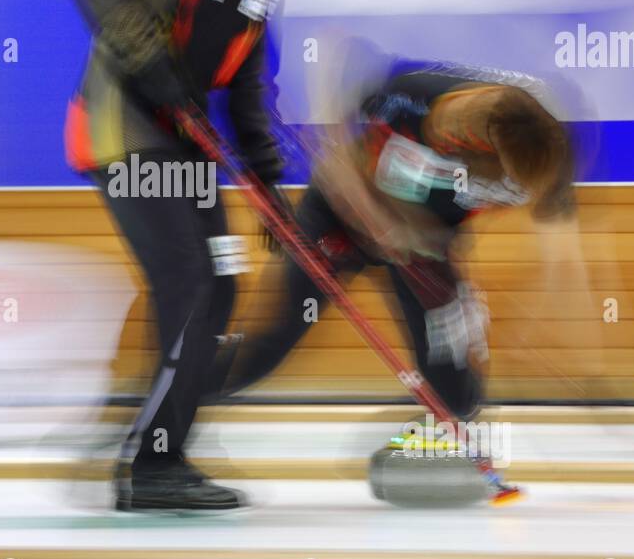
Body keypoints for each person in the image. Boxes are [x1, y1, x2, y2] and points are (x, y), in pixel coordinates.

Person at [63, 0, 341, 511]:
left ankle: (159, 446)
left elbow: (246, 74)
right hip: (126, 129)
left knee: (218, 285)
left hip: (186, 145)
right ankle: (151, 466)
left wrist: (270, 184)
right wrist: (157, 75)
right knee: (189, 284)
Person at [206, 38, 580, 429]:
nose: (506, 190)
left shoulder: (549, 147)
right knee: (269, 344)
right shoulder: (414, 97)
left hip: (426, 246)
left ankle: (448, 446)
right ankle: (177, 402)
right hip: (340, 218)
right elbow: (335, 103)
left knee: (453, 389)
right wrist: (375, 215)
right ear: (471, 141)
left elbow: (561, 241)